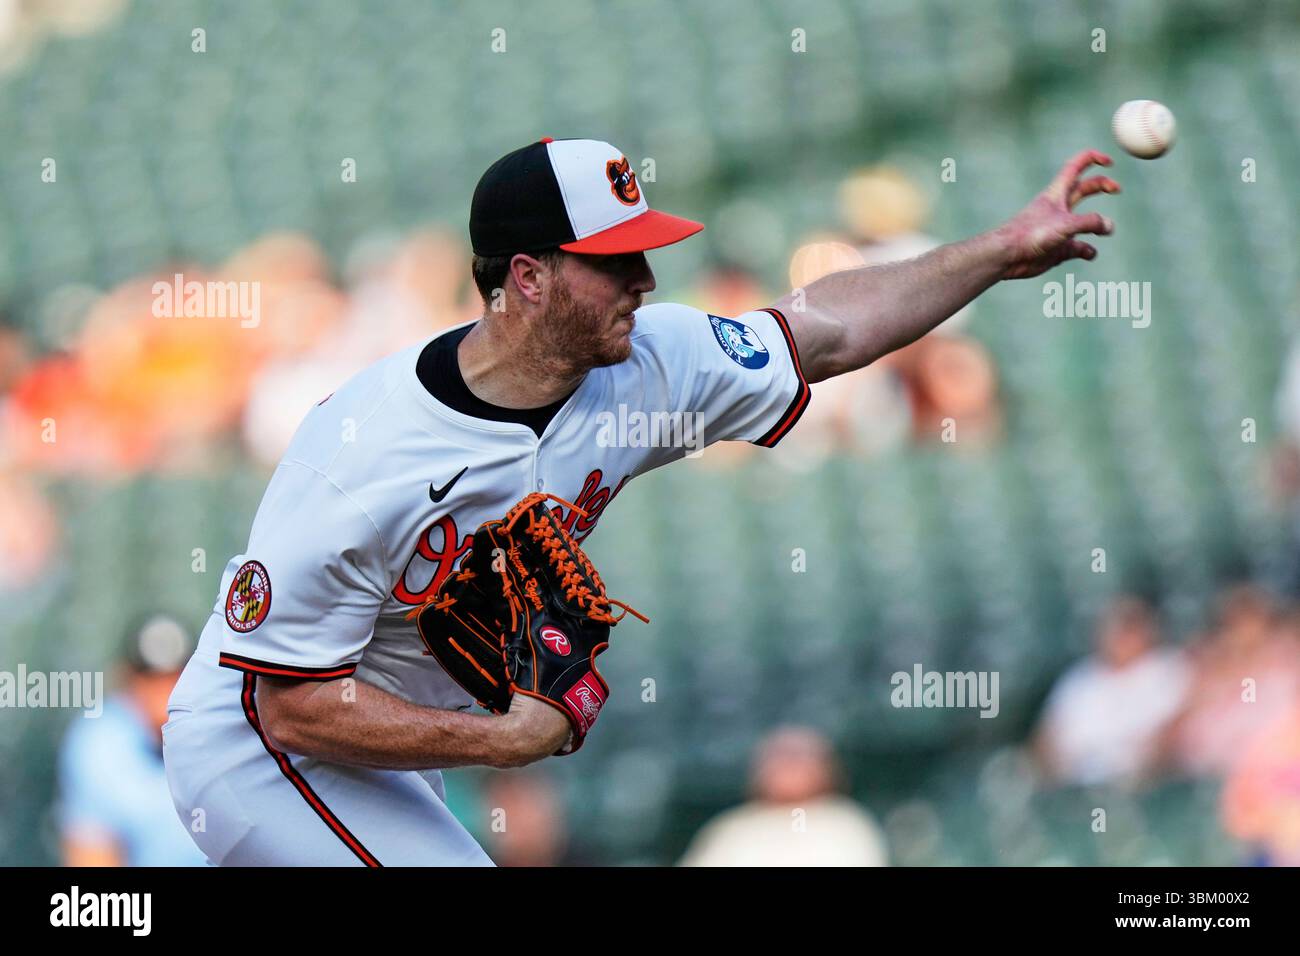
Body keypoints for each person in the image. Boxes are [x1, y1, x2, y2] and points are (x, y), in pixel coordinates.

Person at [163, 136, 1118, 865]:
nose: (646, 279)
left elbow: (822, 330)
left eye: (644, 253)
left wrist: (996, 250)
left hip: (383, 741)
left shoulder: (648, 363)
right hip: (259, 746)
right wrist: (500, 741)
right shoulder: (360, 458)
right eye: (614, 260)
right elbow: (289, 705)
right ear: (527, 280)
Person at [58, 615, 208, 867]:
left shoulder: (232, 729)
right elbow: (91, 856)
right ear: (127, 681)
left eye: (176, 678)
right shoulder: (98, 743)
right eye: (150, 680)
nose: (164, 697)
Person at [1032, 596, 1190, 788]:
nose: (1122, 638)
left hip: (1143, 785)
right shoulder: (1080, 678)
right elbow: (1046, 740)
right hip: (1077, 783)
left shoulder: (1169, 669)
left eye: (1131, 628)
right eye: (1117, 629)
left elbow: (1175, 734)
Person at [678, 726, 888, 866]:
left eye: (798, 757)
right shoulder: (732, 828)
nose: (788, 766)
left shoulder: (848, 824)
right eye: (780, 757)